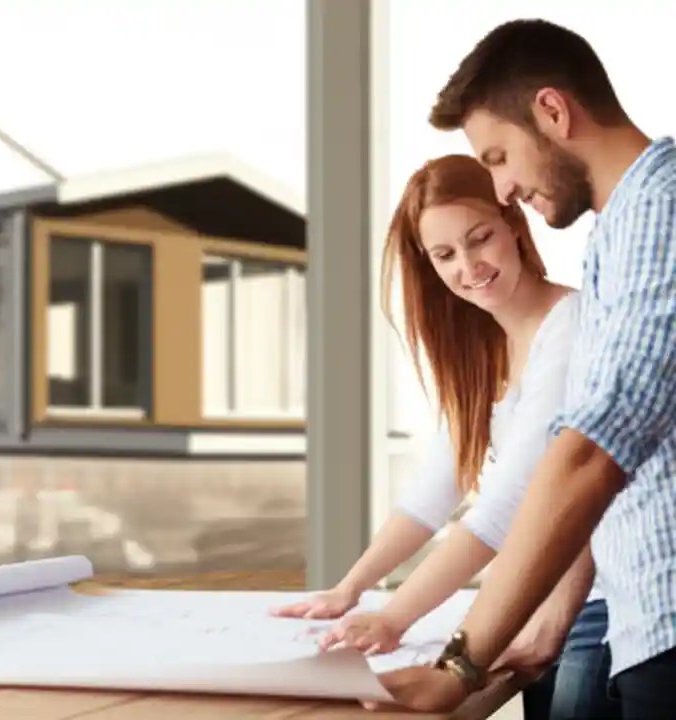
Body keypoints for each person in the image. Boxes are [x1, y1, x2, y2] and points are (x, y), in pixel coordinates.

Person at [369, 19, 676, 720]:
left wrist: (460, 665)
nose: (502, 188)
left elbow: (590, 456)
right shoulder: (619, 237)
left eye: (500, 156)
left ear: (553, 111)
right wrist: (551, 620)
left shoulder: (662, 216)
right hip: (646, 629)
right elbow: (621, 488)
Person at [269, 152, 613, 719]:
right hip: (534, 601)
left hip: (597, 605)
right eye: (445, 255)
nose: (469, 266)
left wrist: (395, 618)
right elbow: (434, 491)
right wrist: (349, 589)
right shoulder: (485, 352)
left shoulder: (570, 326)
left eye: (480, 239)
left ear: (513, 227)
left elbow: (507, 505)